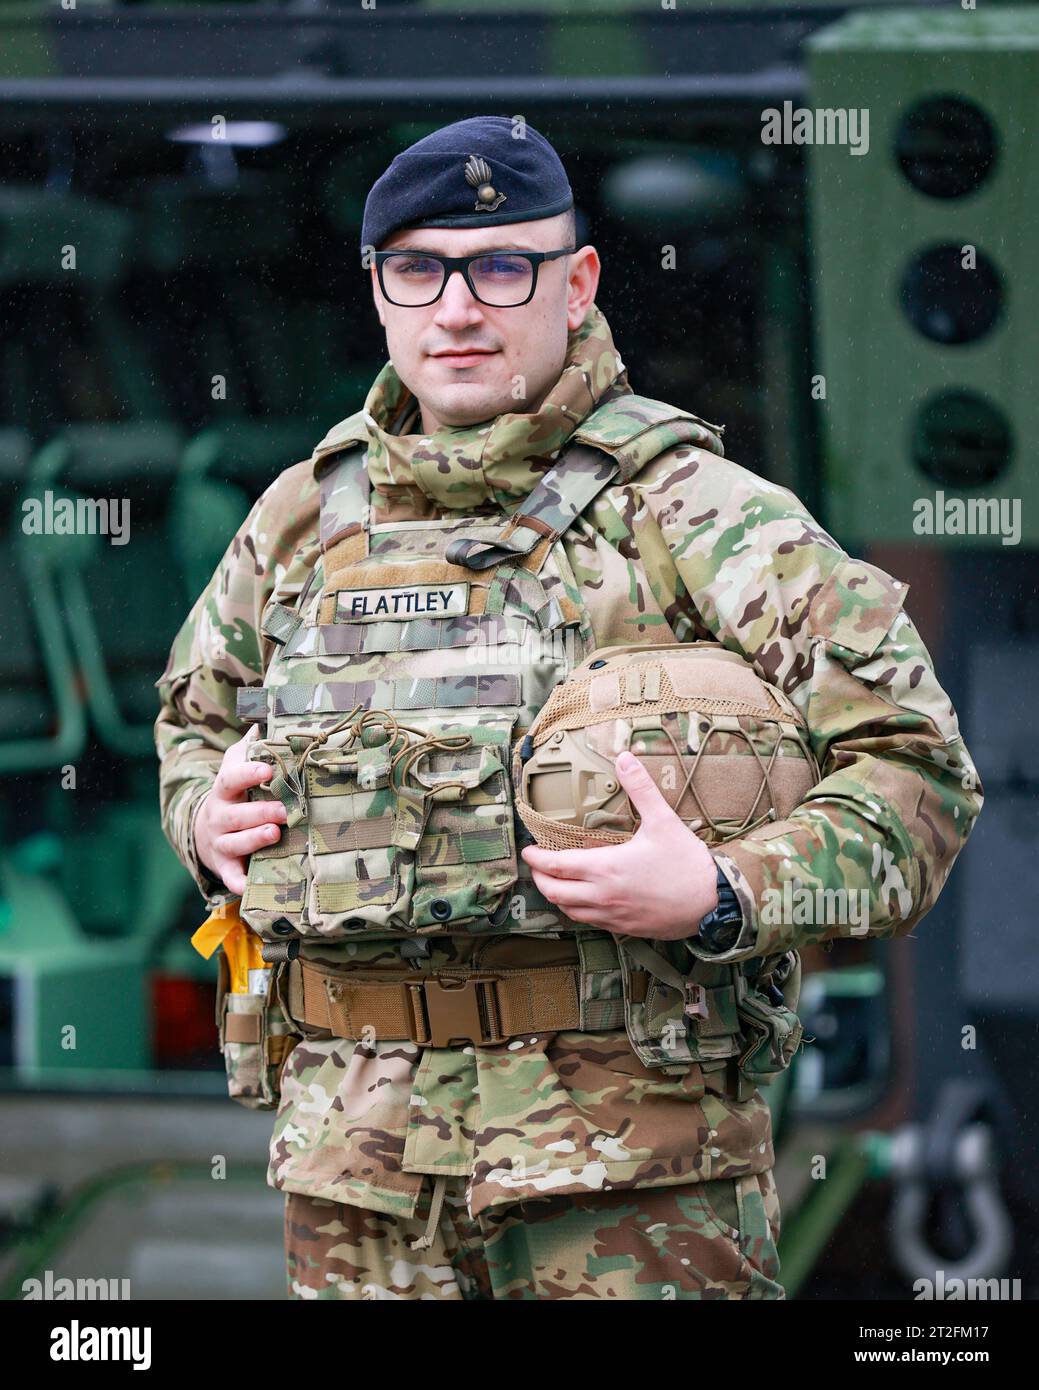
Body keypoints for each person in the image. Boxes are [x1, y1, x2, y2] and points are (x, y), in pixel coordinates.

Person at [154, 115, 982, 1300]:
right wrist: (204, 816)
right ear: (378, 289)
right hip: (357, 1172)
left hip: (624, 1176)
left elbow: (918, 770)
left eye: (501, 268)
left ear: (577, 281)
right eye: (418, 270)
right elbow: (194, 723)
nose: (456, 310)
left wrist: (724, 892)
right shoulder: (301, 519)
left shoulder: (697, 512)